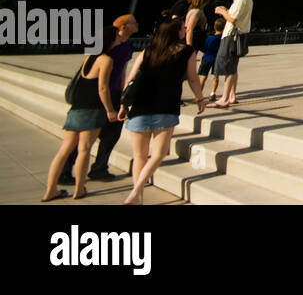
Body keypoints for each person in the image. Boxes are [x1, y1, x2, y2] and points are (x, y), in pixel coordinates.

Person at [118, 18, 206, 205]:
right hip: (166, 107)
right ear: (176, 32)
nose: (186, 29)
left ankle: (138, 196)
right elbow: (192, 78)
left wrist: (123, 105)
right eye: (183, 28)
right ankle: (135, 192)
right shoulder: (187, 51)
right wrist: (199, 97)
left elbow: (131, 80)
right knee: (159, 154)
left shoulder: (147, 52)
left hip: (140, 107)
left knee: (139, 156)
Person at [59, 13, 138, 185]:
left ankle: (99, 168)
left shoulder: (127, 47)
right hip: (95, 96)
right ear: (123, 27)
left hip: (115, 93)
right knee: (81, 138)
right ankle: (65, 171)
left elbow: (123, 68)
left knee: (112, 134)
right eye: (133, 23)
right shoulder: (106, 44)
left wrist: (122, 88)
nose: (137, 25)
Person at [43, 31, 116, 201]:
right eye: (116, 37)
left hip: (76, 109)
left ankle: (50, 190)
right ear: (110, 41)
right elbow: (103, 88)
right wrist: (110, 110)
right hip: (92, 110)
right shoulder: (105, 60)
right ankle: (79, 189)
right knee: (84, 150)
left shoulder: (89, 58)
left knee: (64, 151)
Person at [211, 0, 253, 106]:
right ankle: (231, 96)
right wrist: (227, 11)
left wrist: (223, 12)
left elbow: (233, 19)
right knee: (233, 67)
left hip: (232, 36)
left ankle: (225, 98)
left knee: (228, 67)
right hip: (237, 35)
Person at [199, 17, 225, 95]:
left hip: (207, 58)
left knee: (203, 77)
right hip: (217, 60)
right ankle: (213, 93)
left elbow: (204, 49)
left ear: (214, 27)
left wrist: (201, 58)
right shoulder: (223, 39)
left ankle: (198, 94)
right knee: (215, 77)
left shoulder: (209, 38)